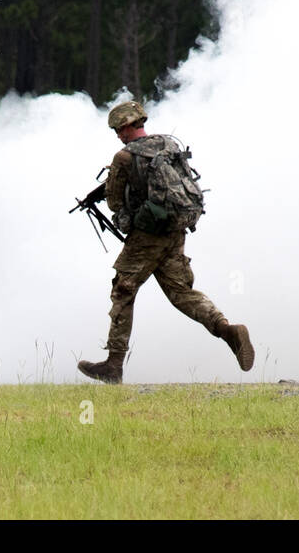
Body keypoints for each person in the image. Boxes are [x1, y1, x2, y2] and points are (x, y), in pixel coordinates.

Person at [77, 100, 253, 384]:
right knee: (181, 292)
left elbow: (114, 201)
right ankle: (227, 330)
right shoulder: (168, 146)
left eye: (118, 129)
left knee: (123, 291)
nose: (118, 135)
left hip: (147, 237)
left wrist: (123, 209)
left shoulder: (124, 157)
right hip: (175, 230)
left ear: (125, 127)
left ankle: (113, 364)